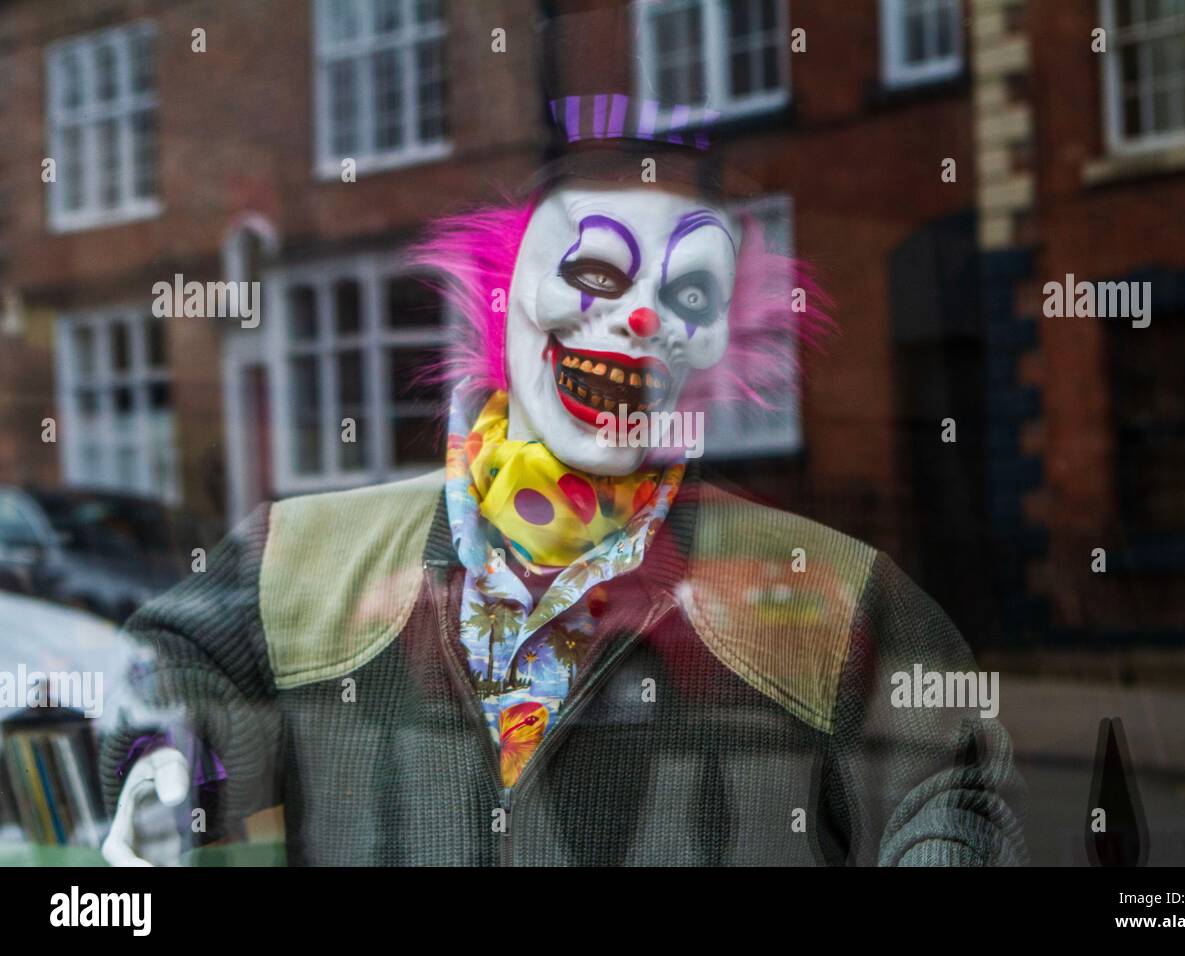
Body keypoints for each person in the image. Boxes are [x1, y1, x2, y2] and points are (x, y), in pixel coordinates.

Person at [100, 97, 1026, 866]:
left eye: (688, 295)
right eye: (593, 270)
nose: (640, 320)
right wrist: (170, 767)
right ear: (504, 291)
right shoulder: (302, 557)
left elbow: (953, 781)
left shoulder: (828, 591)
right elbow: (178, 671)